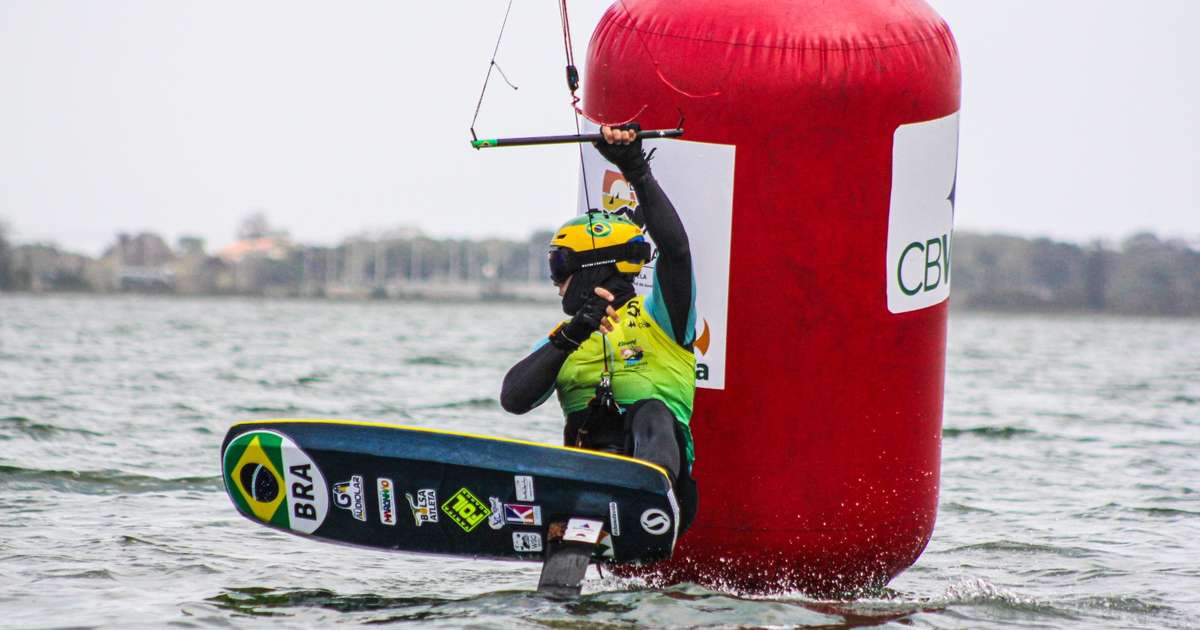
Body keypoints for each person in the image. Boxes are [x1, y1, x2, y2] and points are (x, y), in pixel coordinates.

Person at [500, 124, 698, 534]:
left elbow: (677, 253)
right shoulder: (562, 337)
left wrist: (636, 170)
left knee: (651, 412)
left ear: (594, 268)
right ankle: (581, 516)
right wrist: (574, 334)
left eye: (559, 266)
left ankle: (640, 497)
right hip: (585, 494)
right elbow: (513, 399)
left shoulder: (662, 317)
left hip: (660, 503)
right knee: (588, 420)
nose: (555, 282)